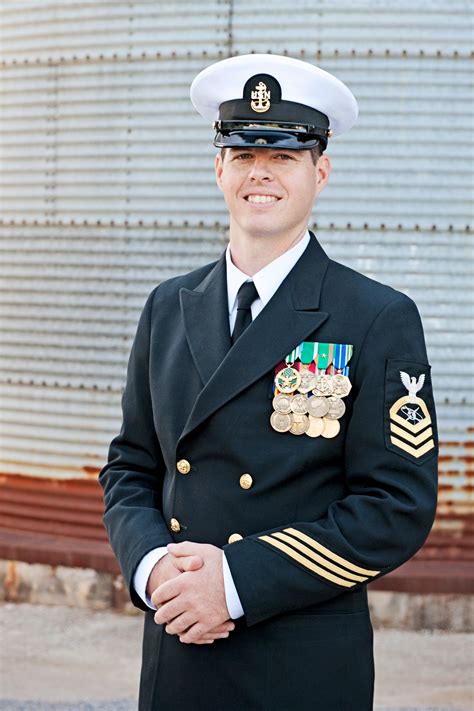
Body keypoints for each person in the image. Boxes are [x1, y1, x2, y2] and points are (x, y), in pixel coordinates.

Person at [99, 53, 438, 711]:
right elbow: (130, 466)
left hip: (300, 662)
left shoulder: (376, 316)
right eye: (242, 151)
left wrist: (234, 582)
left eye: (283, 155)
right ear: (218, 167)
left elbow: (395, 505)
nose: (260, 171)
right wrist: (151, 569)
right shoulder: (168, 305)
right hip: (179, 652)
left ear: (321, 171)